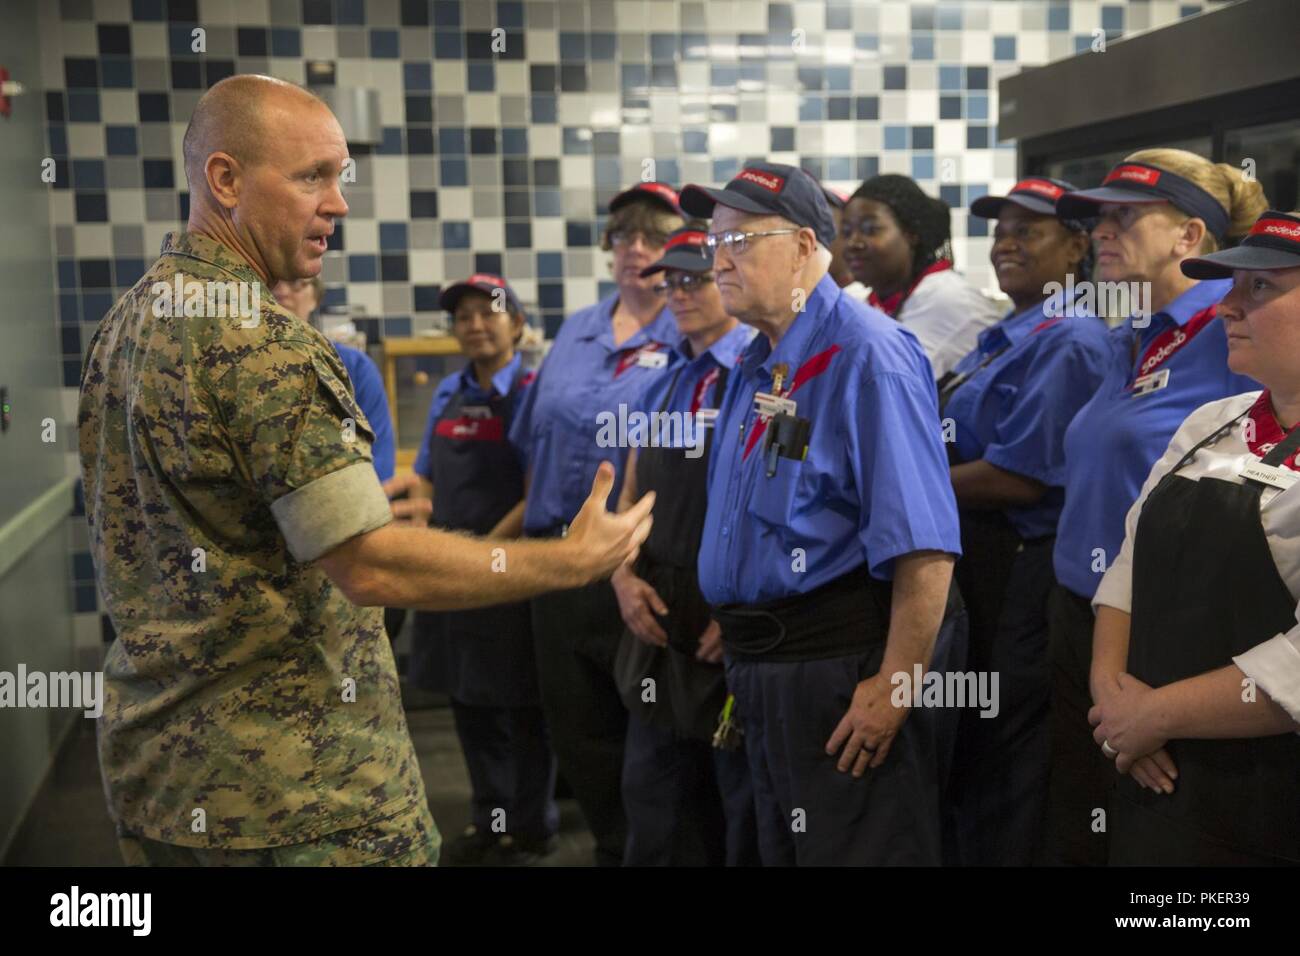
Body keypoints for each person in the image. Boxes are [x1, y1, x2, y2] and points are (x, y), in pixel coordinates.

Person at [77, 74, 654, 867]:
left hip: (164, 779)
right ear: (225, 180)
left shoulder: (127, 325)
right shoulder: (258, 343)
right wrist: (570, 559)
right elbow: (368, 562)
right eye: (312, 176)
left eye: (339, 176)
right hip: (295, 800)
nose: (338, 203)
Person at [681, 162, 965, 866]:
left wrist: (893, 688)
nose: (718, 260)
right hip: (762, 671)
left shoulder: (869, 354)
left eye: (741, 241)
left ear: (807, 246)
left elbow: (924, 547)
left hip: (840, 673)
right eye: (713, 242)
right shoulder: (755, 362)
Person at [1043, 148, 1267, 866]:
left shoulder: (1233, 332)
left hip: (1166, 635)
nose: (1102, 232)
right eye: (1100, 218)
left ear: (1190, 237)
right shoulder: (1137, 332)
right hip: (1085, 618)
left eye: (1127, 216)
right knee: (1081, 820)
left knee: (1159, 835)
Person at [1088, 209, 1300, 865]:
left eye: (1259, 289)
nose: (1229, 307)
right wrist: (1112, 695)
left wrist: (1159, 715)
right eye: (1231, 286)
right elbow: (1127, 566)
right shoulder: (1211, 422)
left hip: (1270, 796)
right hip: (1156, 776)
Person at [509, 181, 684, 866]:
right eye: (623, 235)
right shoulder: (577, 332)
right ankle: (615, 850)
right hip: (555, 566)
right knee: (576, 730)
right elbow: (534, 445)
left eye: (654, 236)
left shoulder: (693, 334)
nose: (636, 249)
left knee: (650, 737)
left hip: (636, 568)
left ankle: (657, 853)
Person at [941, 178, 1111, 866]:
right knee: (974, 748)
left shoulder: (1071, 336)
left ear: (1077, 246)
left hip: (1017, 567)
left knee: (1004, 755)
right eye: (999, 231)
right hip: (979, 559)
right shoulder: (1011, 332)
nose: (1005, 244)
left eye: (1027, 231)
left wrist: (900, 492)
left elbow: (1021, 475)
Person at [609, 223, 760, 866]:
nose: (678, 293)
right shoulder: (663, 380)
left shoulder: (766, 374)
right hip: (657, 613)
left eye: (693, 279)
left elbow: (779, 498)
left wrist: (748, 608)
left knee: (740, 807)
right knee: (654, 798)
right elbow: (630, 494)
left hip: (732, 615)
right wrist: (620, 576)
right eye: (670, 282)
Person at [402, 273, 559, 866]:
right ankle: (488, 821)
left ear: (516, 324)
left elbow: (536, 488)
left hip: (506, 570)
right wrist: (424, 534)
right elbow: (425, 472)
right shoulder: (447, 392)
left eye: (487, 312)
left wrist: (484, 558)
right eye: (462, 316)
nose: (474, 324)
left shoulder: (534, 391)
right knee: (468, 701)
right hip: (454, 573)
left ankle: (531, 829)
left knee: (520, 704)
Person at [842, 174, 1000, 377]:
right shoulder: (871, 299)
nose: (853, 243)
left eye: (870, 230)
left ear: (911, 234)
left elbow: (889, 383)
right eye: (846, 232)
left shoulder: (948, 299)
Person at [271, 276, 395, 483]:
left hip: (346, 499)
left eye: (295, 282)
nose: (282, 291)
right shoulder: (241, 367)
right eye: (272, 282)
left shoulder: (352, 366)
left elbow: (379, 453)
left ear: (315, 298)